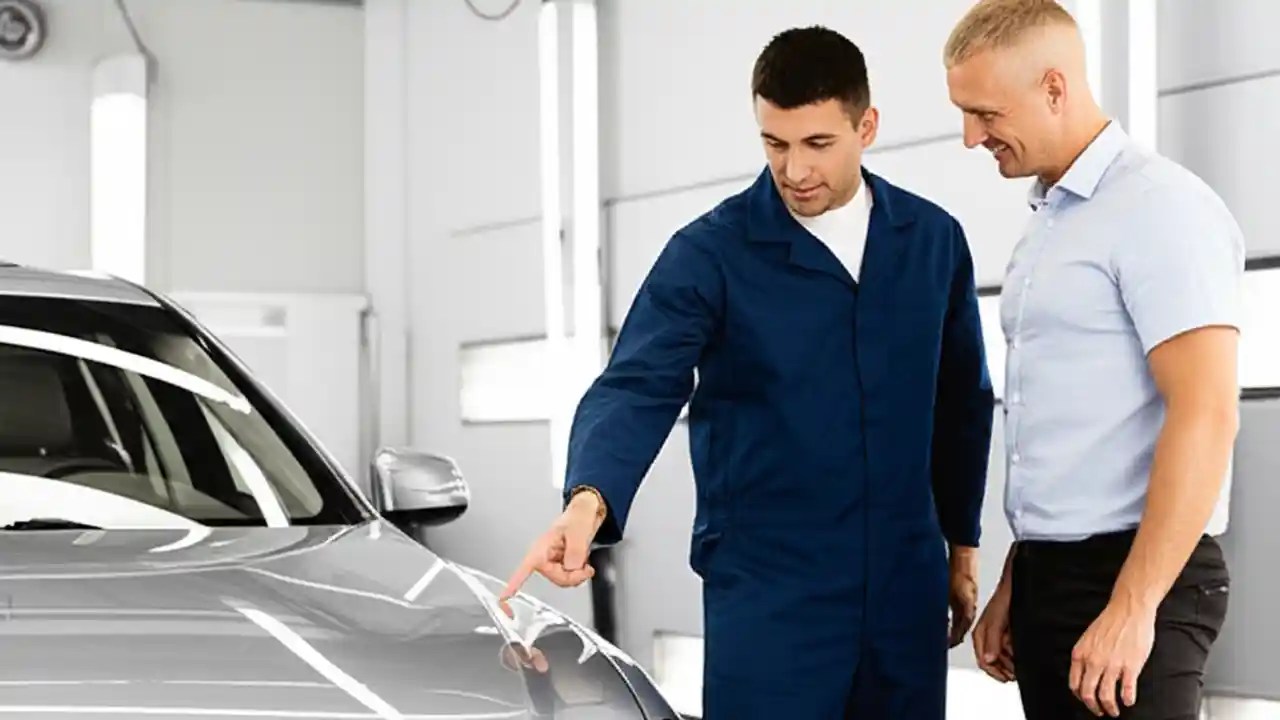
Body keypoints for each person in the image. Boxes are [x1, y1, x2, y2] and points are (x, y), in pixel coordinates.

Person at [500, 26, 995, 719]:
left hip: (903, 593)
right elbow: (639, 383)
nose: (794, 171)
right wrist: (589, 499)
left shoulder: (932, 240)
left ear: (867, 126)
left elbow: (963, 401)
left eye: (817, 144)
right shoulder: (713, 253)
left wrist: (962, 549)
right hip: (772, 602)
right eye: (775, 143)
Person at [943, 1, 1243, 718]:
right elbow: (1073, 431)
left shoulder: (1160, 207)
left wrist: (1133, 607)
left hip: (1139, 574)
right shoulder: (1051, 222)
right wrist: (1024, 570)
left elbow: (1206, 413)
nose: (968, 137)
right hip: (1056, 575)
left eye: (984, 113)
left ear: (1054, 88)